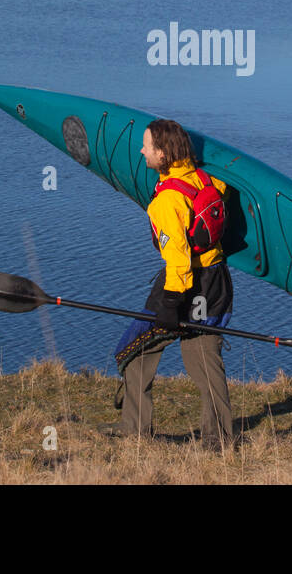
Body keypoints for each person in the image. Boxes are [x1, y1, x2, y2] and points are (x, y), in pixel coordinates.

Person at [105, 119, 235, 449]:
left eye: (146, 146)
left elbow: (177, 259)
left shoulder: (166, 202)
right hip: (216, 281)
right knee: (205, 359)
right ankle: (218, 444)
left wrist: (169, 304)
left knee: (135, 351)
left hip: (185, 284)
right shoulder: (206, 179)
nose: (141, 150)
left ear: (162, 154)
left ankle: (136, 438)